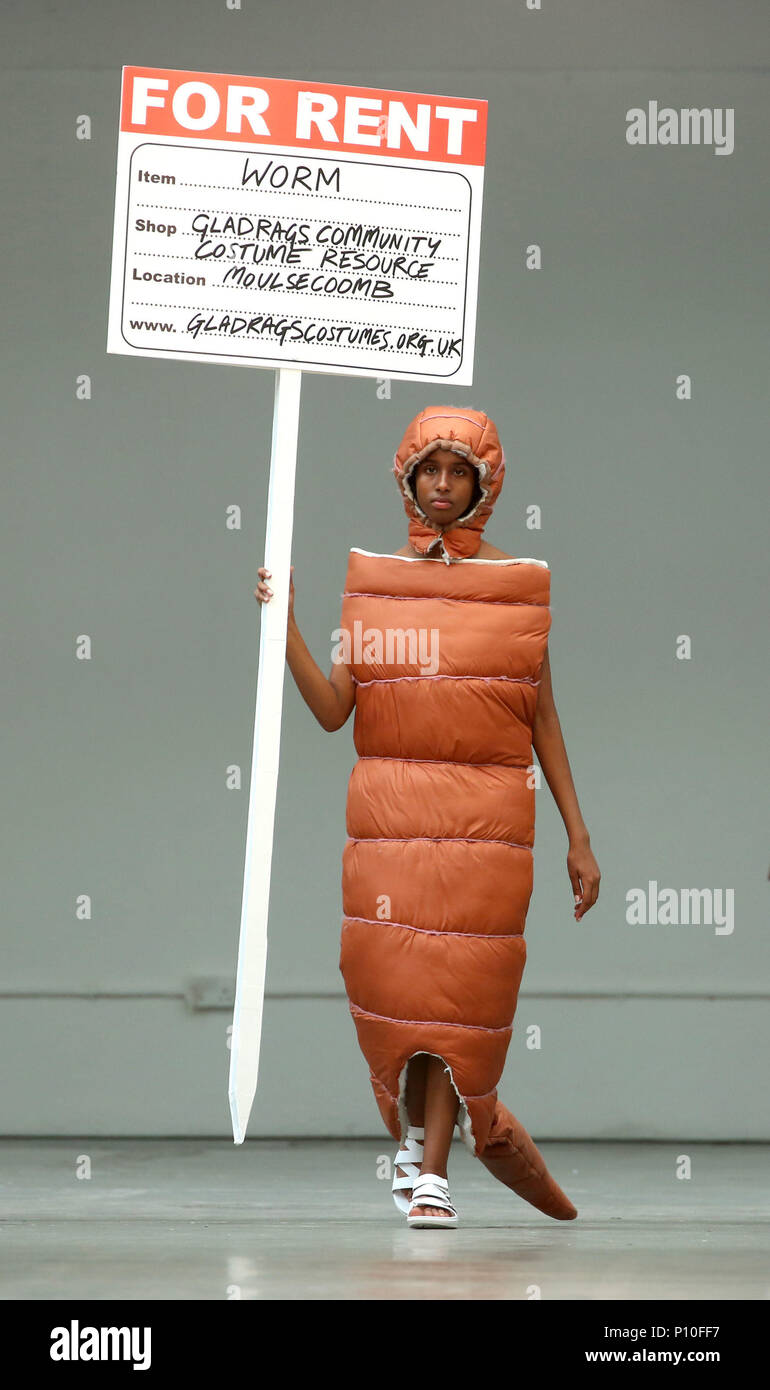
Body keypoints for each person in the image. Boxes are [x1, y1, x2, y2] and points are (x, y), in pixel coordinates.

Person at [255, 406, 600, 1228]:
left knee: (459, 997)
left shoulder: (514, 596)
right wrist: (284, 628)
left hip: (486, 823)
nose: (442, 486)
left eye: (459, 472)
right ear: (407, 478)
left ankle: (433, 1168)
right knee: (405, 989)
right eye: (429, 471)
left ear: (485, 483)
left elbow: (542, 719)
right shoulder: (375, 591)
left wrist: (579, 837)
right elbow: (336, 710)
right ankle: (417, 1143)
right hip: (391, 822)